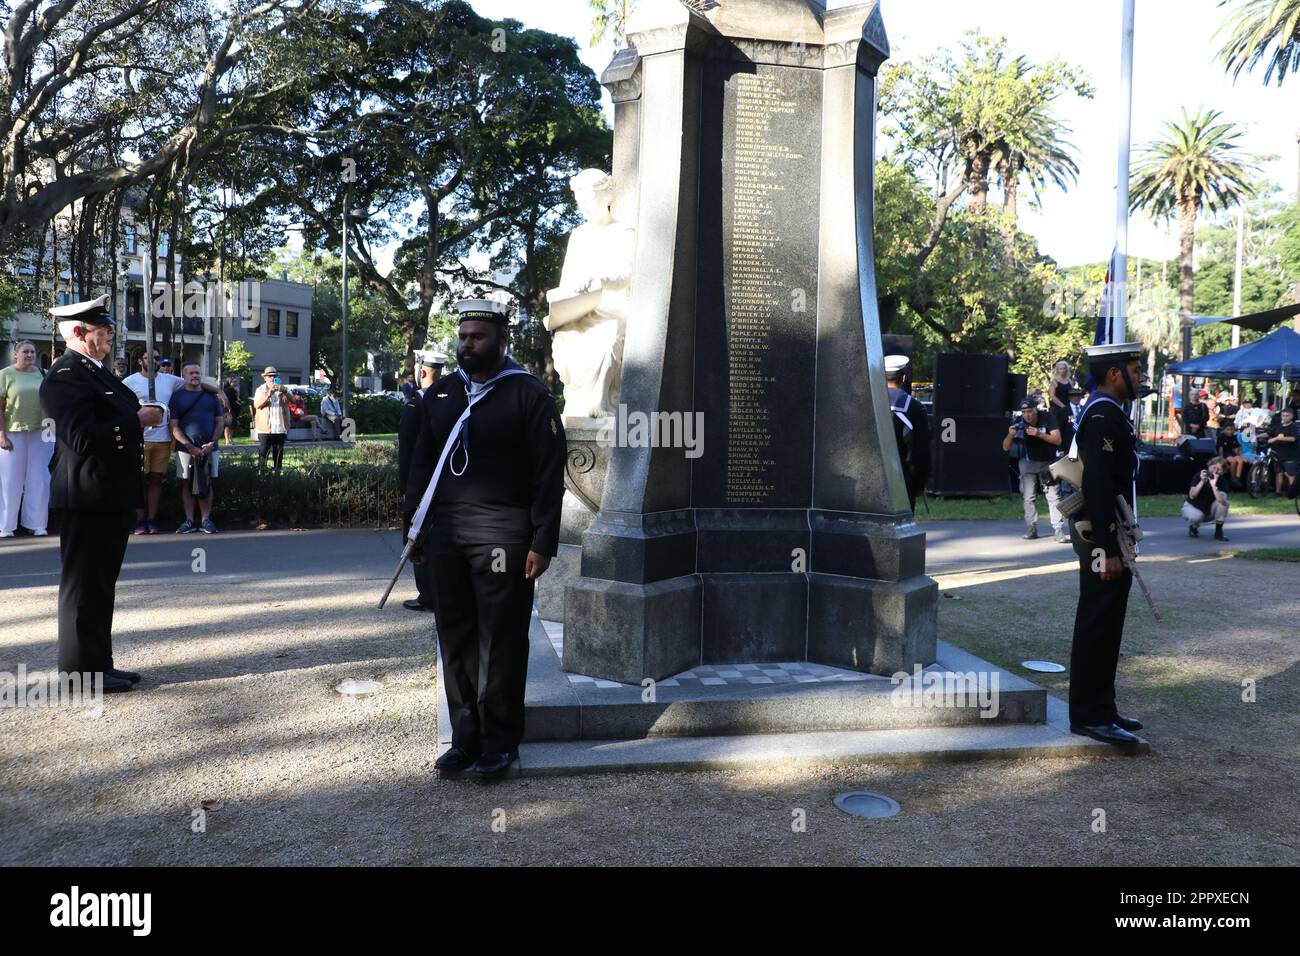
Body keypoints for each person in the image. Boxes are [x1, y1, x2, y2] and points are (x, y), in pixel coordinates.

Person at [405, 299, 566, 780]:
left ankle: (500, 742)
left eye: (477, 337)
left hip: (506, 536)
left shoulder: (528, 394)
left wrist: (543, 541)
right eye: (463, 337)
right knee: (455, 640)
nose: (467, 345)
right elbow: (420, 465)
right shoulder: (442, 395)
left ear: (501, 340)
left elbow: (548, 472)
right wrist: (414, 527)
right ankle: (464, 738)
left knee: (500, 641)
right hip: (447, 536)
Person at [40, 295, 161, 694]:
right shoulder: (65, 376)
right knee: (82, 585)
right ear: (78, 332)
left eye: (109, 330)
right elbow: (78, 437)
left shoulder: (94, 372)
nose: (110, 336)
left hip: (108, 492)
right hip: (86, 494)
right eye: (102, 331)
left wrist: (136, 416)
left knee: (100, 584)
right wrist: (135, 419)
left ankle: (98, 665)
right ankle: (79, 672)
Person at [1067, 341, 1147, 748]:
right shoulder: (1101, 414)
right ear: (1114, 373)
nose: (1139, 376)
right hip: (1101, 532)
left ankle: (1103, 705)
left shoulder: (1110, 412)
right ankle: (1089, 715)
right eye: (1134, 369)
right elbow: (1097, 483)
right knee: (1098, 620)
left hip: (1110, 530)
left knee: (1109, 619)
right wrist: (1108, 549)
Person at [122, 350, 227, 534]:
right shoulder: (130, 381)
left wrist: (219, 391)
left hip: (162, 439)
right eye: (150, 358)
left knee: (156, 480)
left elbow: (195, 382)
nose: (154, 361)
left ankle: (152, 520)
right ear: (140, 361)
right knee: (138, 481)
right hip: (139, 439)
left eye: (157, 358)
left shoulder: (170, 380)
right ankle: (139, 521)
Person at [397, 349, 446, 612]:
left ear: (422, 372)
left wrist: (406, 489)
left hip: (421, 484)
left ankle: (426, 594)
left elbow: (408, 452)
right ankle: (437, 592)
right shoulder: (448, 401)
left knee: (417, 538)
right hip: (443, 485)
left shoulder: (416, 405)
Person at [0, 341, 54, 538]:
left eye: (32, 352)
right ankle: (6, 526)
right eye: (25, 351)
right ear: (16, 354)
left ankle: (37, 524)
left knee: (39, 479)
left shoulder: (44, 373)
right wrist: (1, 435)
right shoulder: (5, 374)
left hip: (41, 432)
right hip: (13, 432)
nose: (30, 355)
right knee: (9, 480)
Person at [169, 361, 224, 534]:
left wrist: (212, 442)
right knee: (186, 483)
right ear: (184, 376)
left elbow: (220, 422)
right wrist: (189, 446)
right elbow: (174, 426)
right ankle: (189, 520)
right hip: (185, 449)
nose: (195, 376)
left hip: (210, 448)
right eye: (191, 373)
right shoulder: (177, 397)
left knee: (206, 483)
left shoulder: (211, 397)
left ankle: (206, 520)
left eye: (197, 373)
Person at [1001, 397, 1066, 542]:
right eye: (1024, 412)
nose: (1027, 415)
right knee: (1028, 497)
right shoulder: (1019, 421)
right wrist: (1010, 434)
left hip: (1047, 462)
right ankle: (1031, 528)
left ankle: (1058, 530)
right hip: (1028, 463)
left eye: (1029, 411)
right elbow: (1005, 447)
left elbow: (1058, 440)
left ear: (1036, 409)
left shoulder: (1048, 417)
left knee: (1053, 496)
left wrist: (1039, 433)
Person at [884, 353, 930, 512]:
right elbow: (921, 451)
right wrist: (920, 482)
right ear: (903, 378)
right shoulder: (915, 408)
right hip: (903, 481)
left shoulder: (867, 404)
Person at [1183, 457, 1230, 541]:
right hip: (1194, 506)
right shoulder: (1199, 476)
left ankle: (1218, 532)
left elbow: (1221, 501)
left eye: (1219, 469)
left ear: (1222, 472)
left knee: (1224, 503)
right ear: (1209, 466)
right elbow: (1192, 495)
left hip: (1209, 510)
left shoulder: (1223, 481)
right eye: (1214, 467)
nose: (1215, 471)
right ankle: (1193, 527)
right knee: (1196, 516)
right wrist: (1202, 481)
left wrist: (1213, 485)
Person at [253, 366, 291, 471]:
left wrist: (285, 390)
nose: (272, 378)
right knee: (263, 455)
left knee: (278, 456)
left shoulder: (283, 389)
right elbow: (257, 405)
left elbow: (293, 400)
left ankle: (277, 478)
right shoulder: (260, 390)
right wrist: (268, 395)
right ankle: (262, 476)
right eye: (270, 376)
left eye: (274, 376)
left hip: (280, 429)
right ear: (265, 378)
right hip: (265, 429)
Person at [1268, 406, 1298, 496]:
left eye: (1287, 415)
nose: (1284, 417)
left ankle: (1293, 493)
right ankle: (1278, 492)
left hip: (1290, 454)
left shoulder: (1294, 427)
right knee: (1278, 473)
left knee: (1291, 474)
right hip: (1278, 454)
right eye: (1283, 415)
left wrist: (1277, 438)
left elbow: (1293, 439)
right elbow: (1269, 433)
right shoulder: (1278, 426)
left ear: (1292, 416)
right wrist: (1257, 436)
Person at [1215, 420, 1246, 487]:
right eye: (1228, 429)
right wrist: (1221, 458)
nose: (1230, 431)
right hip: (1224, 454)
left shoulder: (1234, 437)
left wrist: (1239, 454)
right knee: (1233, 461)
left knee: (1240, 460)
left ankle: (1237, 477)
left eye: (1231, 429)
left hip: (1231, 453)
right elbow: (1220, 449)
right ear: (1224, 429)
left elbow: (1236, 449)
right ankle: (1232, 478)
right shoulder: (1221, 437)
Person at [222, 378, 240, 446]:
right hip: (228, 410)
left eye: (236, 381)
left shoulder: (234, 390)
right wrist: (229, 408)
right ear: (229, 383)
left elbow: (237, 399)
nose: (235, 383)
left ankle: (230, 438)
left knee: (232, 425)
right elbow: (226, 400)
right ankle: (227, 440)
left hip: (233, 409)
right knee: (228, 425)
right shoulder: (227, 390)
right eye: (234, 382)